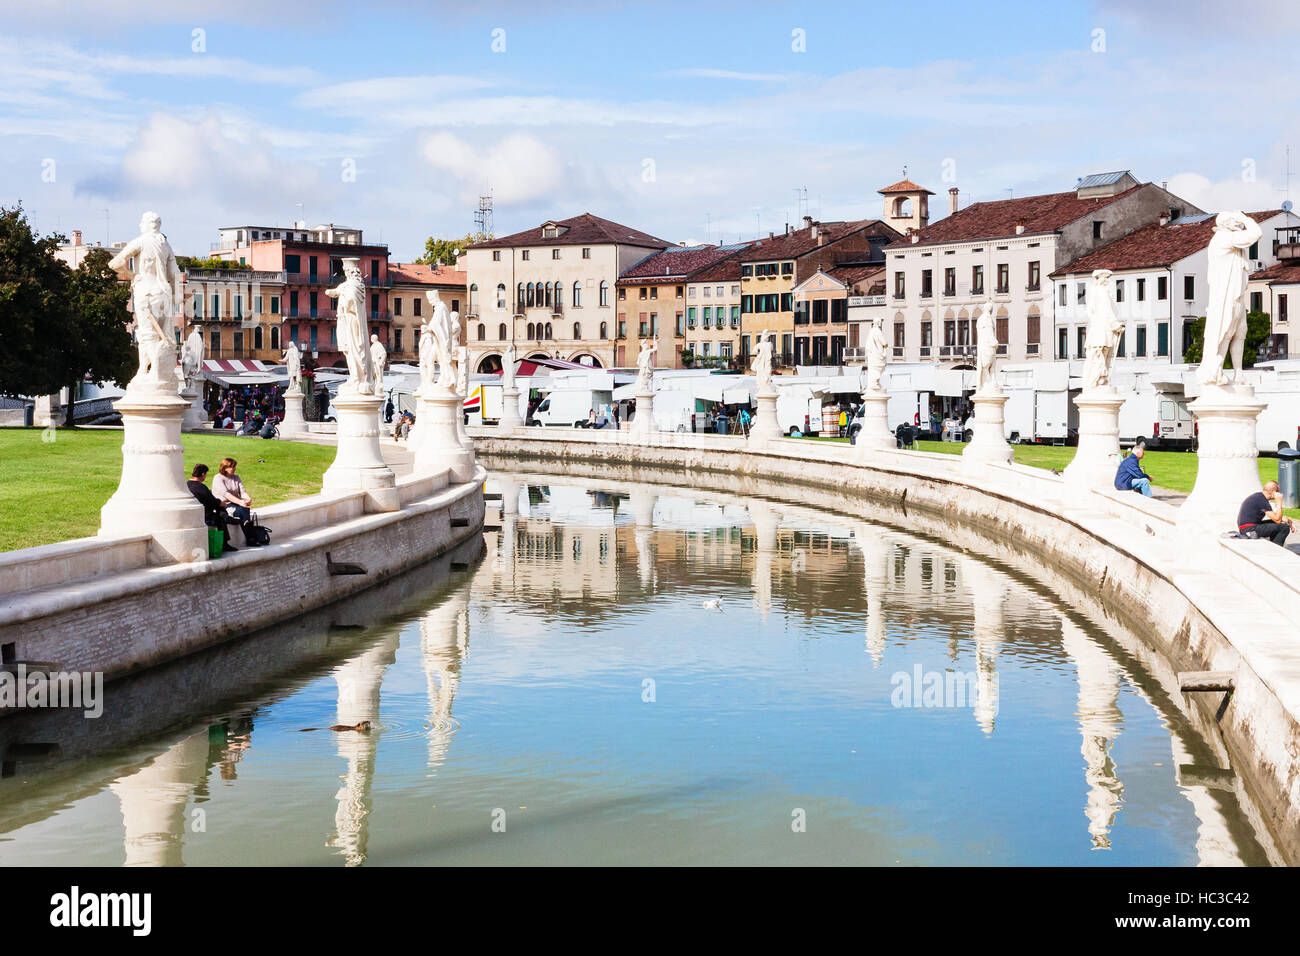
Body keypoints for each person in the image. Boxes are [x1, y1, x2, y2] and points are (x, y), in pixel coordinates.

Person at [188, 463, 238, 552]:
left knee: (220, 512)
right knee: (221, 516)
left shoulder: (186, 485)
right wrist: (223, 504)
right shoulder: (201, 487)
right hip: (204, 516)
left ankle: (227, 518)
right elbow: (214, 502)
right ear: (203, 474)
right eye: (205, 474)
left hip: (192, 514)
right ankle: (224, 544)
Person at [1237, 481, 1297, 545]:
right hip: (1249, 529)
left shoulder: (1259, 497)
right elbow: (1278, 520)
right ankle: (1276, 550)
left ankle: (1274, 546)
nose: (1279, 493)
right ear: (1274, 491)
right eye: (1278, 491)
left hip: (1246, 528)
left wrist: (1288, 521)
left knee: (1282, 524)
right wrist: (1279, 502)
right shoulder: (1261, 500)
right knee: (1284, 527)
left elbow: (1276, 518)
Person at [212, 457, 256, 541]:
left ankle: (250, 535)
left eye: (234, 466)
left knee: (245, 508)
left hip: (236, 503)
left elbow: (242, 491)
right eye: (231, 467)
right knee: (243, 510)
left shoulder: (236, 477)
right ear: (224, 468)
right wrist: (240, 502)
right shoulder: (218, 478)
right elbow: (226, 494)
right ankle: (250, 537)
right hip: (224, 505)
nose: (234, 469)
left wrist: (247, 498)